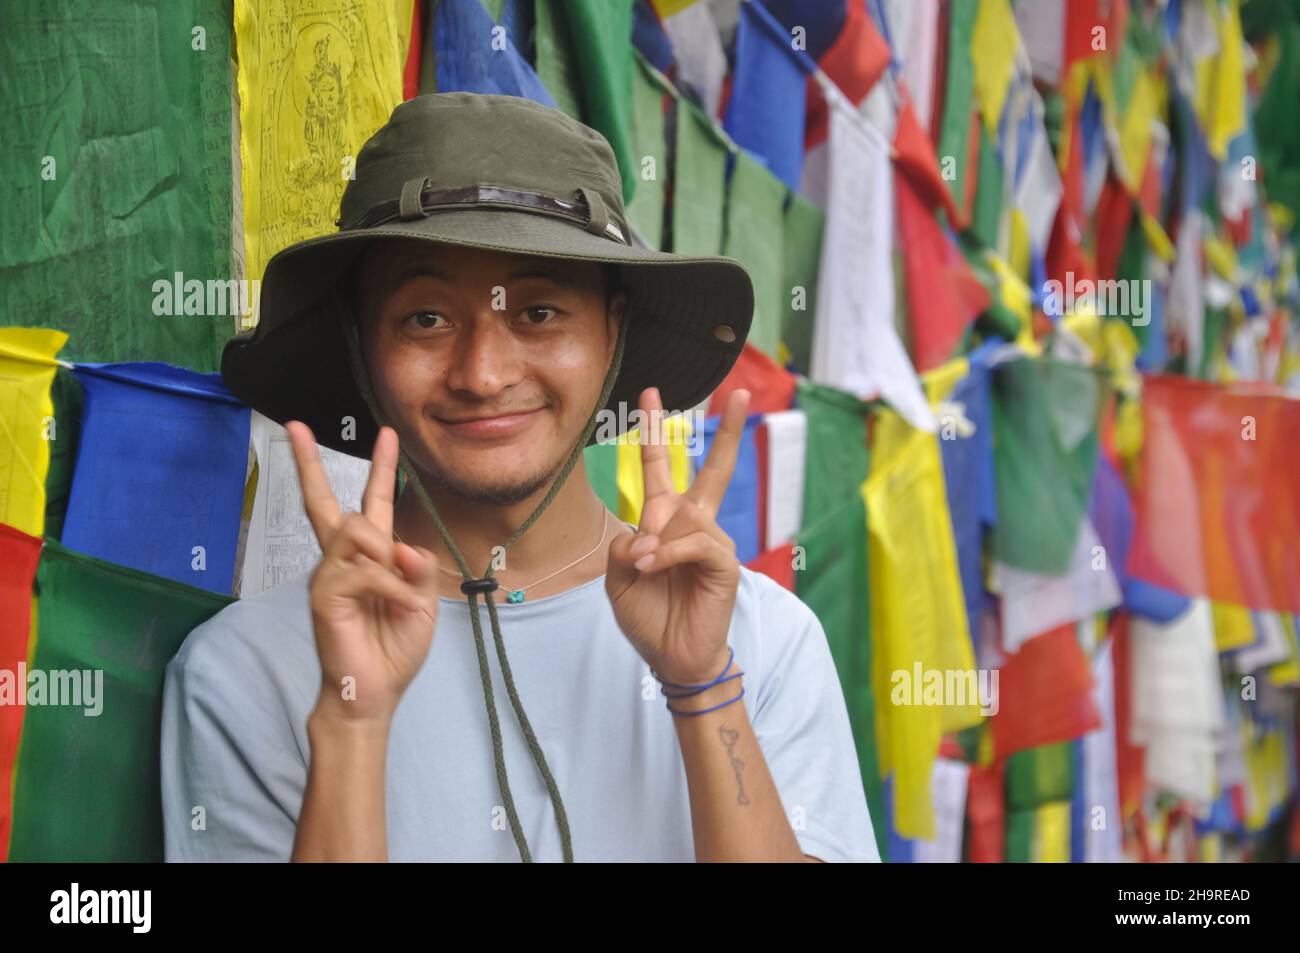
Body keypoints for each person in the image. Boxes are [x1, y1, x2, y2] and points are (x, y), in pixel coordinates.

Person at [161, 91, 879, 862]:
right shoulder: (243, 671)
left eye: (538, 312)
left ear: (614, 332)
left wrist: (703, 687)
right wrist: (353, 725)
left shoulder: (759, 640)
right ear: (359, 344)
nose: (484, 372)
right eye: (426, 319)